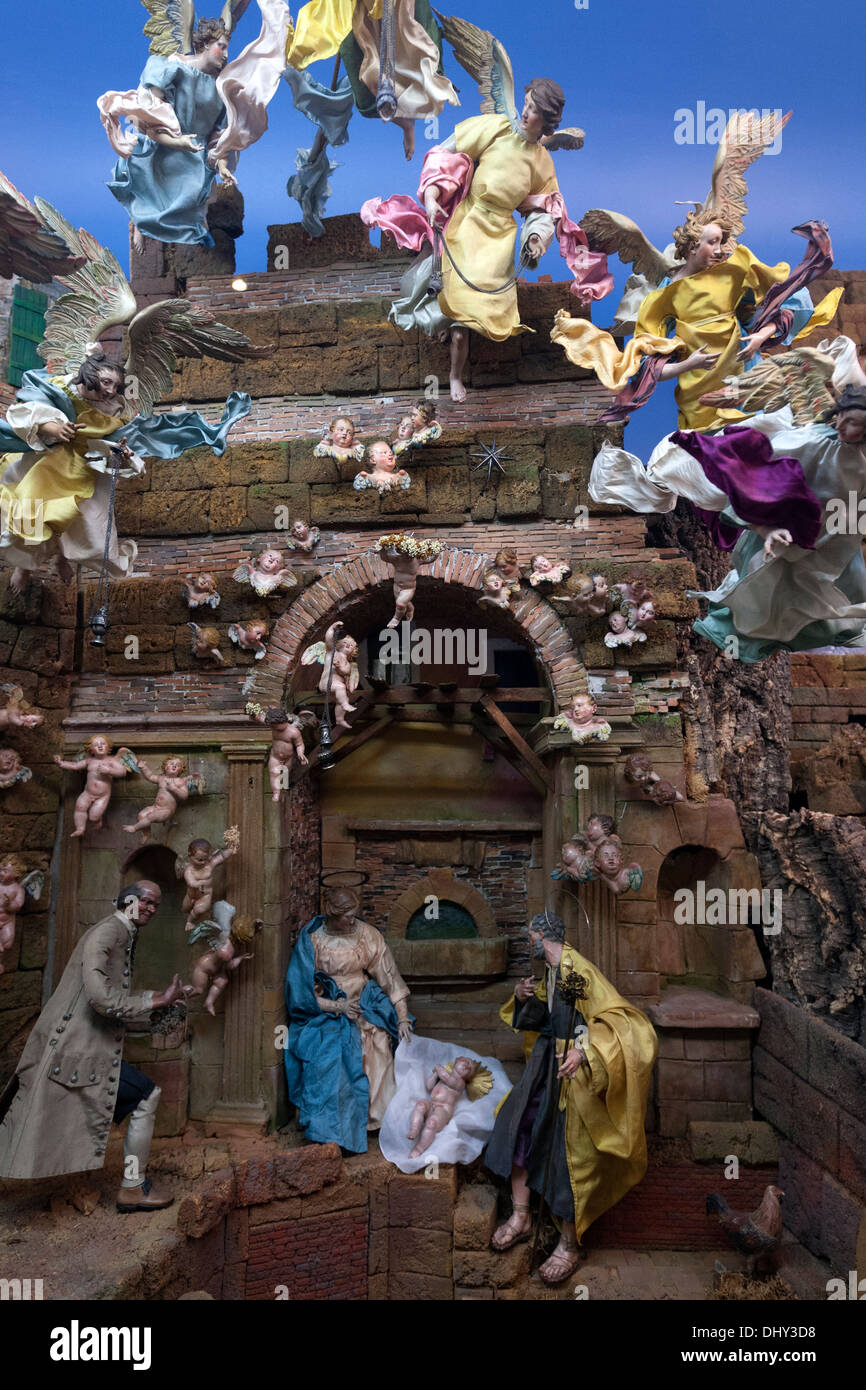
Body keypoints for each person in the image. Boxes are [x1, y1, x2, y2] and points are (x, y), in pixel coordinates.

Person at [363, 80, 611, 401]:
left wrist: (535, 237)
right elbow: (446, 151)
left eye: (534, 110)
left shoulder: (541, 163)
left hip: (498, 240)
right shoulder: (497, 129)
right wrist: (433, 197)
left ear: (546, 120)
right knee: (457, 315)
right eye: (526, 103)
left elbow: (547, 206)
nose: (525, 112)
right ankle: (453, 371)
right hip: (467, 221)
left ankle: (455, 363)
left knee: (476, 309)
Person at [485, 912, 657, 1284]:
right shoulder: (551, 969)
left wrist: (585, 1052)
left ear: (543, 936)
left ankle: (568, 1243)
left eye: (530, 935)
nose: (526, 941)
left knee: (570, 1153)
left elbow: (620, 1021)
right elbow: (549, 1018)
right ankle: (521, 1216)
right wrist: (521, 998)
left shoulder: (578, 970)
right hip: (547, 1065)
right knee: (519, 1125)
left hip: (573, 1072)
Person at [0, 882, 186, 1211]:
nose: (152, 909)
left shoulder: (122, 933)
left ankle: (132, 1185)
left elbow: (113, 997)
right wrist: (154, 1001)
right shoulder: (108, 933)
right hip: (77, 1052)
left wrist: (159, 1002)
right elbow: (101, 999)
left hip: (83, 1051)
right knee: (147, 1095)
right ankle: (132, 1187)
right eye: (147, 902)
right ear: (128, 900)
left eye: (156, 905)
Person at [285, 883, 413, 1152]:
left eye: (355, 913)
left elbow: (390, 978)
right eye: (348, 915)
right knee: (330, 1052)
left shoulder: (367, 936)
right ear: (332, 913)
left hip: (364, 1003)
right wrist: (337, 1007)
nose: (353, 919)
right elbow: (301, 994)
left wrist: (402, 1018)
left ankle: (375, 1118)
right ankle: (334, 1127)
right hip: (325, 1010)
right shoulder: (313, 941)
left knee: (378, 1037)